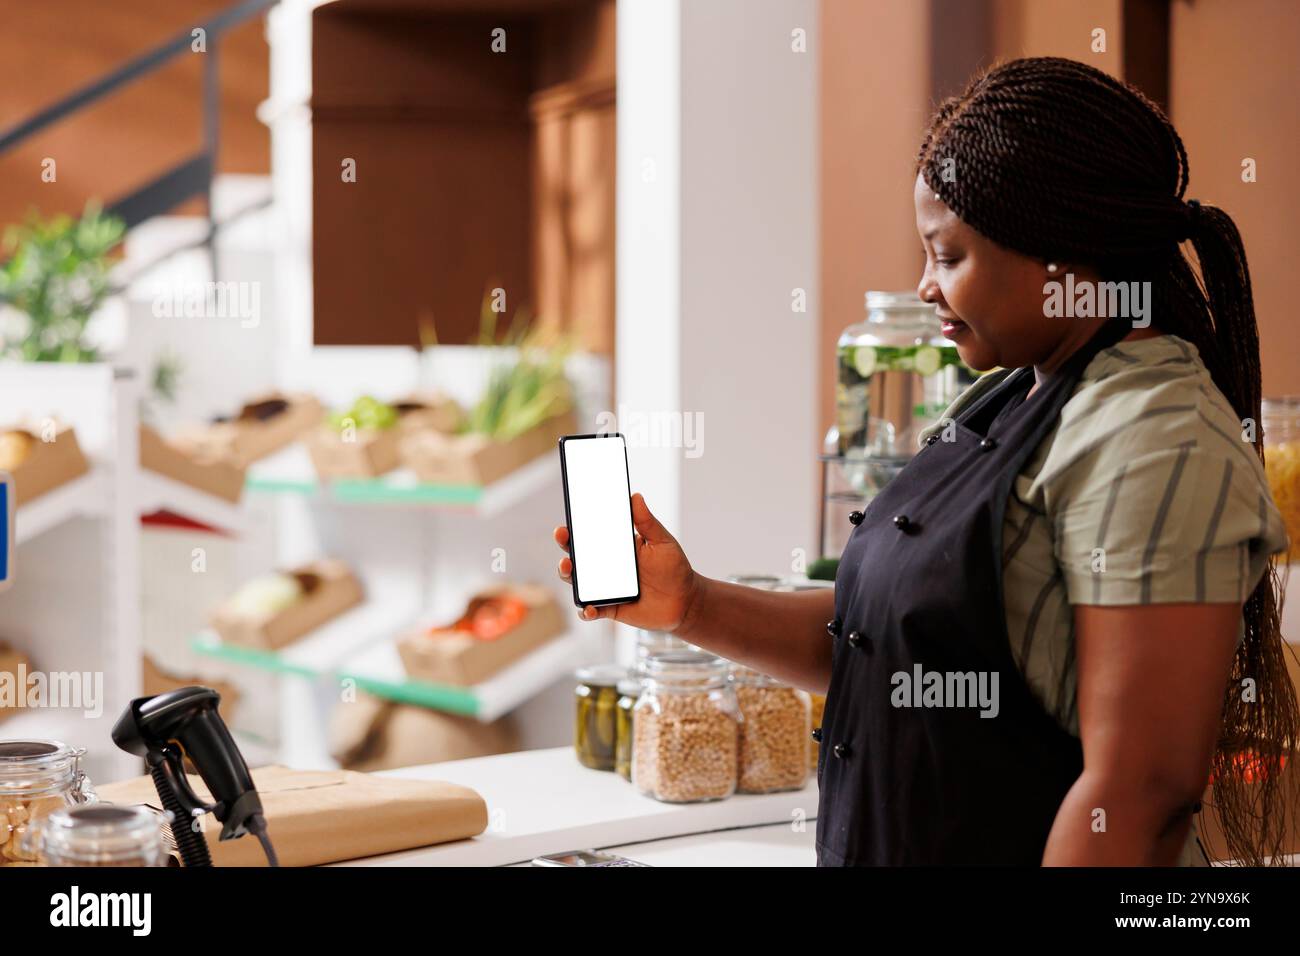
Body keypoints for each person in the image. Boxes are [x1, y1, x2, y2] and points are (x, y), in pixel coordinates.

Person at [554, 57, 1297, 866]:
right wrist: (690, 604)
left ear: (1062, 249)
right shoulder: (1010, 393)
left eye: (948, 257)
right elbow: (884, 648)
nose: (926, 288)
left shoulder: (1156, 438)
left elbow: (1140, 795)